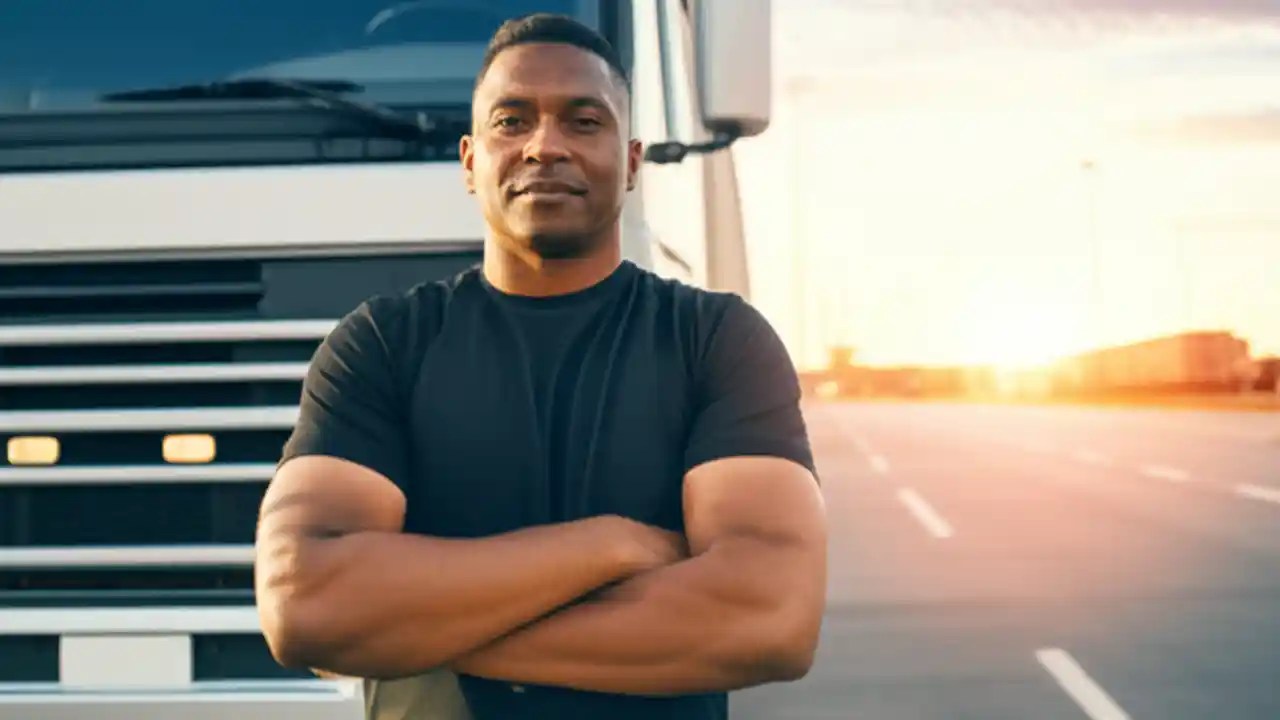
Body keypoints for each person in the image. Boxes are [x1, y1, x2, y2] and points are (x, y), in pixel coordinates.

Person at [253, 12, 827, 720]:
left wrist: (416, 631)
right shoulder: (380, 346)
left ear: (633, 162)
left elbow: (769, 618)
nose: (544, 146)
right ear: (470, 162)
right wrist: (613, 544)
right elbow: (306, 603)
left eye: (584, 122)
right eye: (512, 121)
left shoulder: (717, 341)